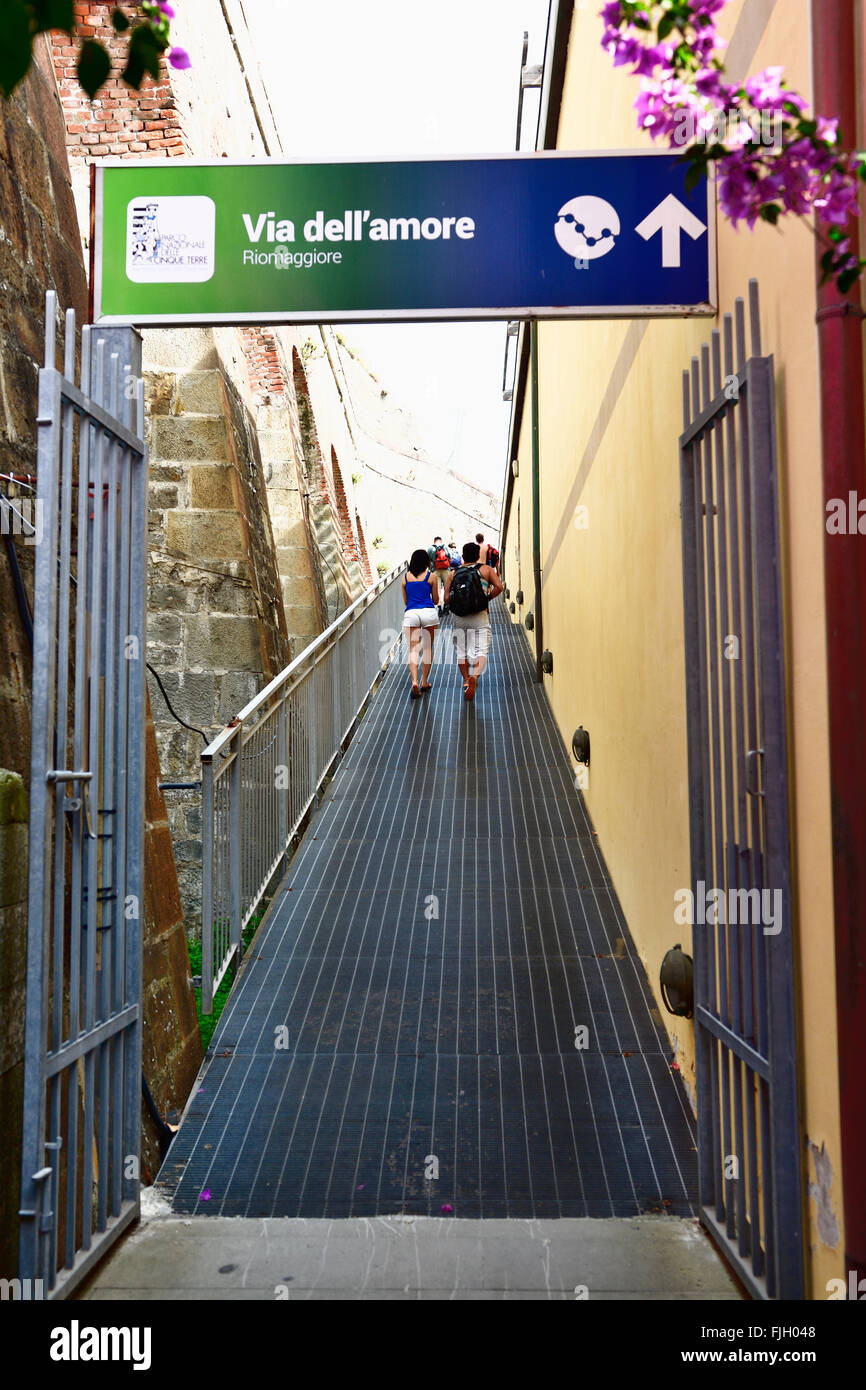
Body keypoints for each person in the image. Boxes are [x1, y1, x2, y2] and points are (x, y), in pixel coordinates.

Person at [443, 541, 503, 701]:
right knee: (481, 651)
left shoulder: (453, 573)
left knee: (461, 652)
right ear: (478, 556)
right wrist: (486, 599)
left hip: (460, 618)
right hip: (480, 616)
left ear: (463, 556)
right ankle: (475, 676)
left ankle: (466, 680)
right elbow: (499, 587)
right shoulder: (486, 569)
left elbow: (446, 598)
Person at [402, 548, 440, 698]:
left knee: (413, 649)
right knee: (427, 648)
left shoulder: (405, 578)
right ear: (426, 561)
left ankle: (414, 681)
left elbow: (406, 602)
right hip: (428, 613)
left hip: (412, 613)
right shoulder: (432, 577)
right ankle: (424, 681)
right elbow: (436, 600)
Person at [427, 535, 451, 616]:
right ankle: (446, 607)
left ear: (434, 541)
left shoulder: (431, 548)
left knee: (438, 590)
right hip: (446, 571)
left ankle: (439, 608)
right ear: (441, 541)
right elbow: (450, 558)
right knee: (447, 589)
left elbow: (428, 560)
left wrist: (431, 569)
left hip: (435, 571)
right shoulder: (445, 547)